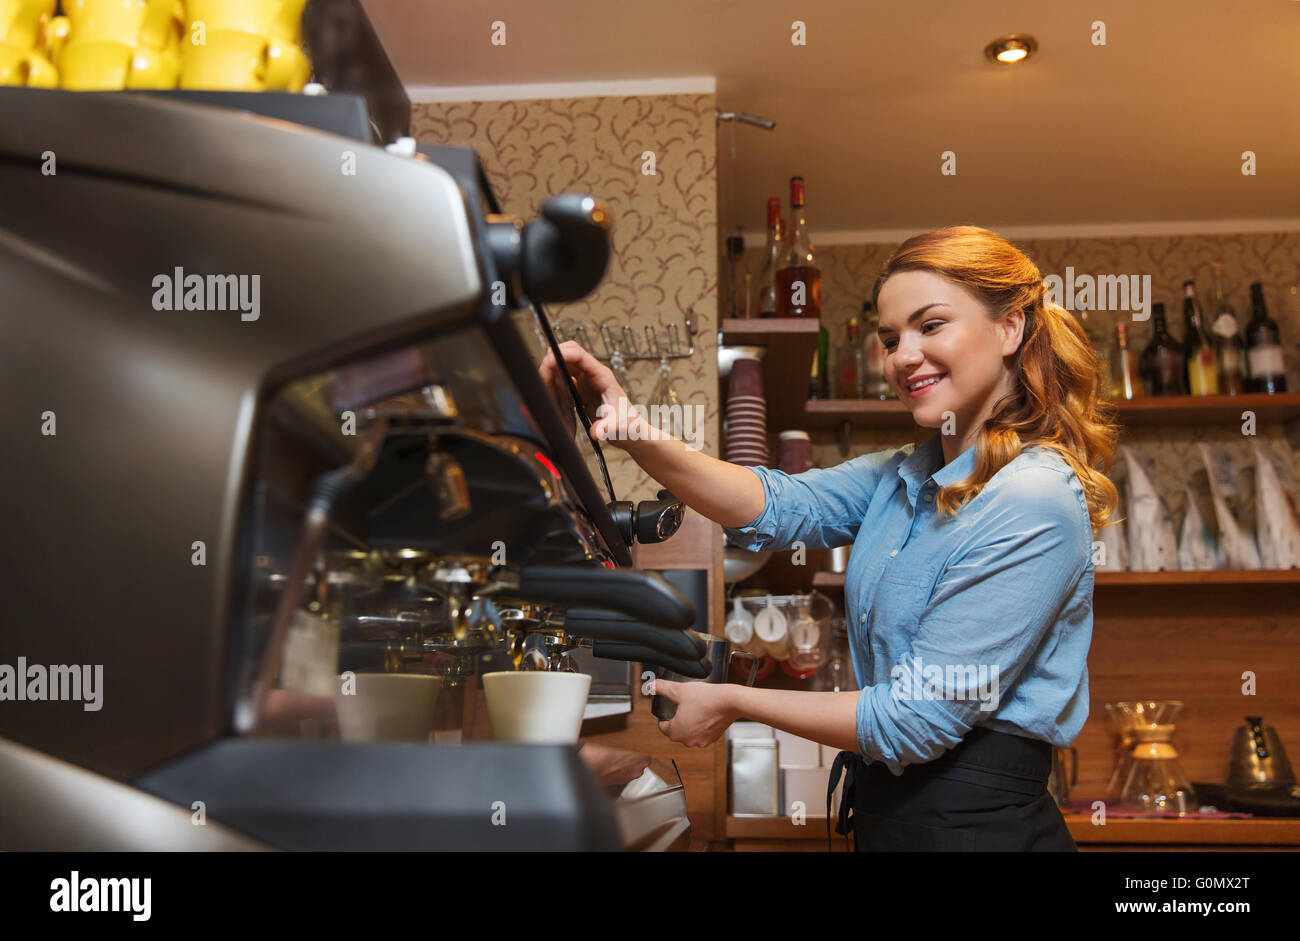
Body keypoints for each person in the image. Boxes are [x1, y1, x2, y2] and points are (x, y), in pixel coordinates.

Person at [539, 226, 1119, 851]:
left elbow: (912, 720)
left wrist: (735, 702)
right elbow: (780, 505)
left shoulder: (1031, 498)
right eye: (891, 338)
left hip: (980, 830)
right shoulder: (906, 473)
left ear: (1010, 329)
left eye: (931, 325)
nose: (903, 356)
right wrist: (624, 425)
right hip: (897, 817)